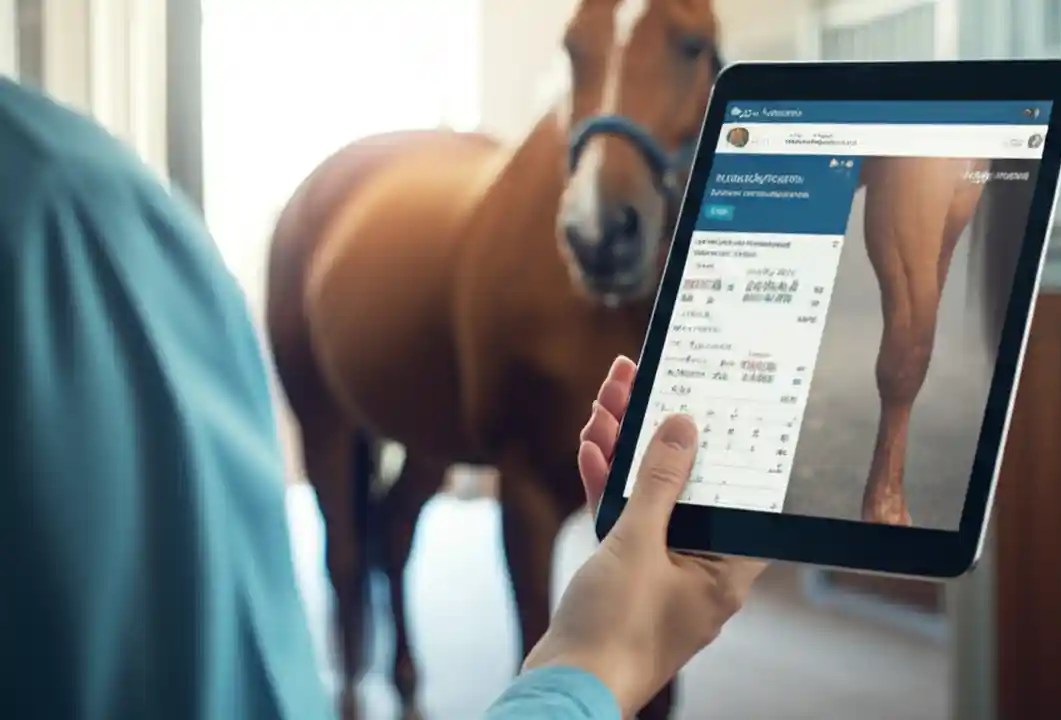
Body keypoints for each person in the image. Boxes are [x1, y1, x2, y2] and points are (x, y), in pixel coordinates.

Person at [0, 78, 763, 719]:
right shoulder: (70, 215)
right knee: (344, 526)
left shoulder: (57, 204)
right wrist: (594, 663)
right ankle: (360, 668)